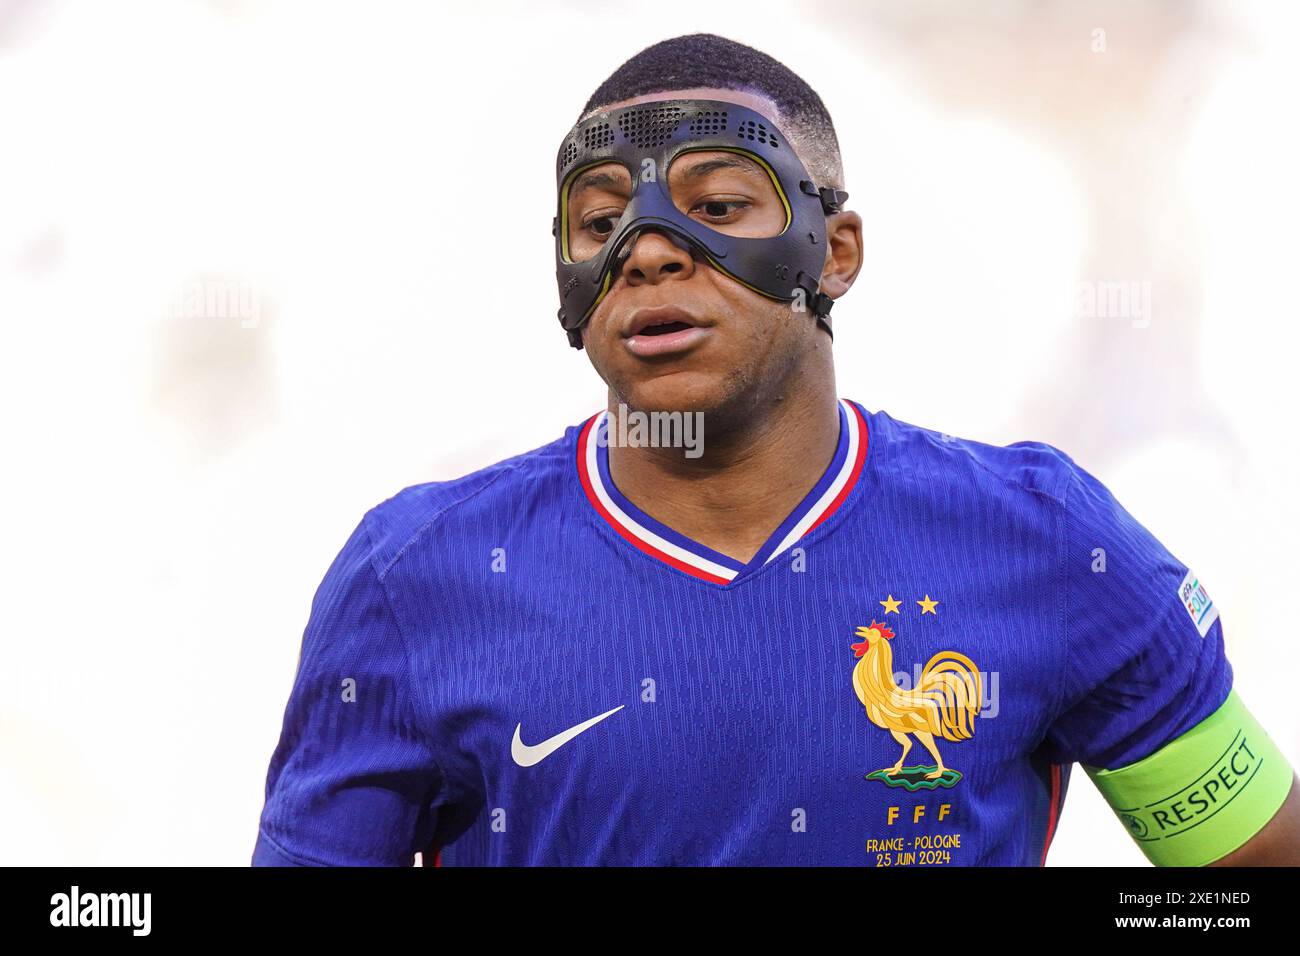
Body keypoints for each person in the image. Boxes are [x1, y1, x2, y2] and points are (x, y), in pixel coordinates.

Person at [252, 33, 1299, 867]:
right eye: (601, 218)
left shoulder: (1051, 542)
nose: (650, 248)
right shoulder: (413, 580)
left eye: (715, 206)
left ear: (832, 252)